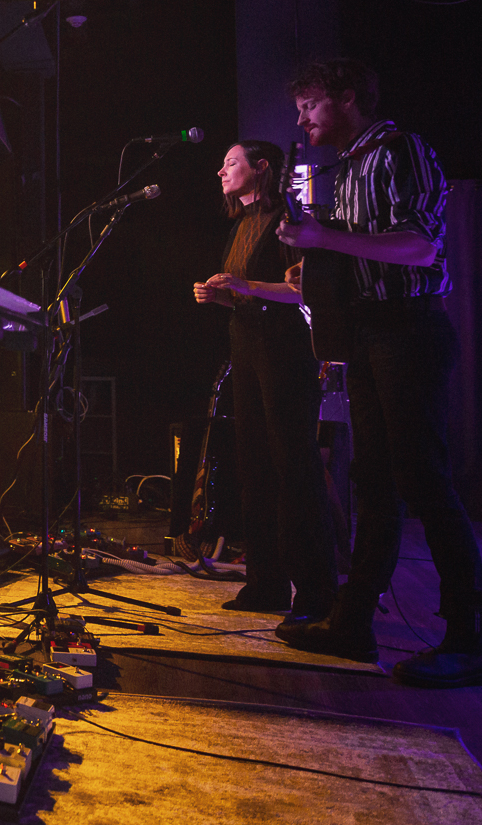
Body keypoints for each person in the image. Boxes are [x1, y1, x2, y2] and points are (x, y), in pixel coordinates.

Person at [274, 58, 482, 688]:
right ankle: (351, 622)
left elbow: (420, 245)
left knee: (423, 480)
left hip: (410, 328)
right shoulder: (345, 168)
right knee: (372, 478)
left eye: (311, 104)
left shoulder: (402, 150)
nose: (302, 119)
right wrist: (312, 270)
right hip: (372, 330)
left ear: (347, 98)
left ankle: (470, 639)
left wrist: (323, 242)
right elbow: (352, 249)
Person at [193, 141, 337, 628]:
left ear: (262, 169)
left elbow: (302, 288)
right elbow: (248, 294)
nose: (221, 170)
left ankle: (317, 591)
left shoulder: (285, 218)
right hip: (247, 347)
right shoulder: (240, 222)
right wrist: (221, 297)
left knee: (293, 467)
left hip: (286, 353)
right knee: (253, 464)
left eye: (230, 162)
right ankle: (266, 582)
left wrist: (245, 287)